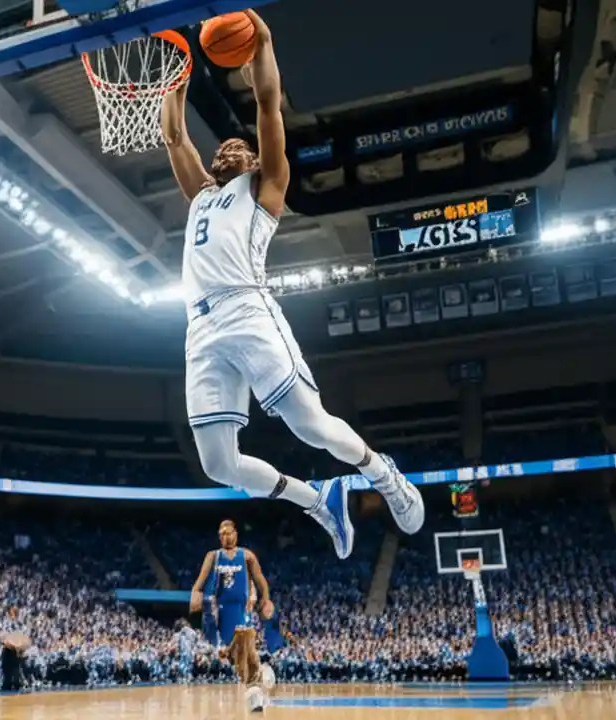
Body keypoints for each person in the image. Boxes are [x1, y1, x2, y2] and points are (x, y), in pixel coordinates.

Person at [159, 9, 424, 559]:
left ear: (256, 160)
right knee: (217, 464)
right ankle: (316, 500)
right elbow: (173, 134)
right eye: (222, 149)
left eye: (241, 147)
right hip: (200, 329)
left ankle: (383, 474)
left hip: (246, 310)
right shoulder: (203, 195)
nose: (229, 148)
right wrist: (176, 74)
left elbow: (265, 103)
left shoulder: (265, 187)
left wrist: (263, 46)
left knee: (310, 426)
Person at [188, 520, 272, 711]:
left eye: (229, 533)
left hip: (242, 611)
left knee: (246, 650)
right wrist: (194, 593)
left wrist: (266, 599)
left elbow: (261, 580)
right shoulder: (213, 556)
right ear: (219, 537)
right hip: (221, 612)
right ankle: (262, 677)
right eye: (222, 534)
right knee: (231, 657)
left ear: (236, 534)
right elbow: (200, 579)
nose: (226, 536)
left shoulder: (247, 556)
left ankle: (255, 696)